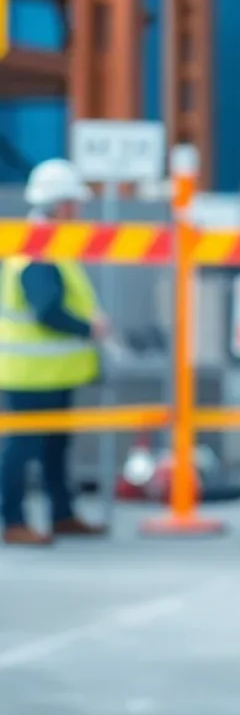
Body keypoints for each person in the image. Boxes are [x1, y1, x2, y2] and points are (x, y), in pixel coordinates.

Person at [0, 159, 110, 546]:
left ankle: (61, 514)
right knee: (25, 446)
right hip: (31, 372)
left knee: (54, 447)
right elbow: (45, 310)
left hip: (52, 371)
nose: (78, 212)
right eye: (74, 204)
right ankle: (12, 520)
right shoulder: (37, 248)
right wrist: (89, 328)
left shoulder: (50, 243)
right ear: (60, 204)